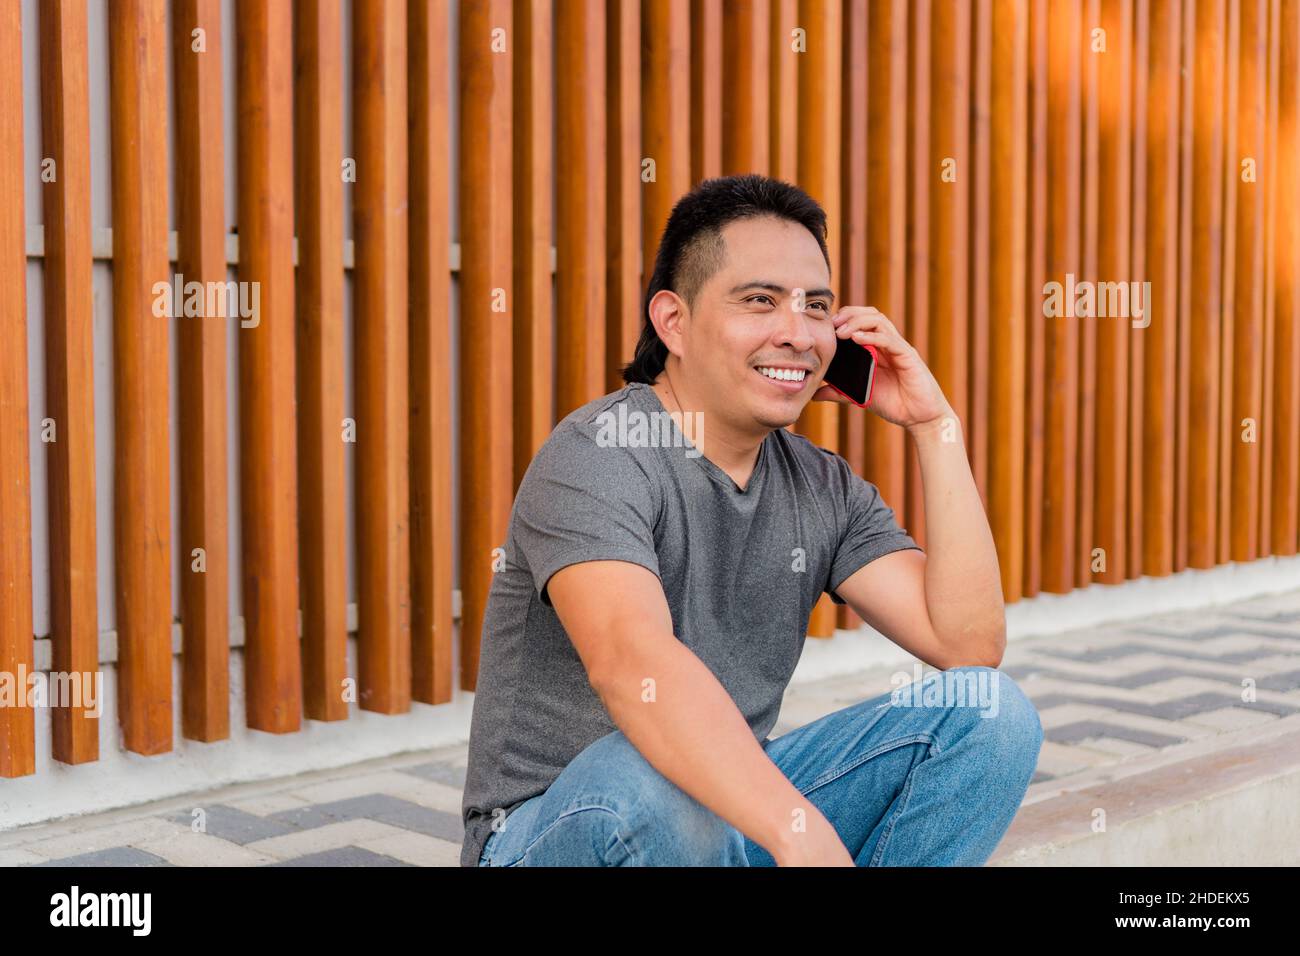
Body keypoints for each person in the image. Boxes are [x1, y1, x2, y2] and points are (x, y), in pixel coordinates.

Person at [460, 173, 1043, 867]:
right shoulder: (598, 454)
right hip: (556, 834)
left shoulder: (818, 483)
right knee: (652, 775)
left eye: (816, 307)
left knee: (988, 712)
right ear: (673, 321)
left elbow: (966, 645)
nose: (796, 333)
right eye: (759, 301)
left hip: (718, 825)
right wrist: (797, 831)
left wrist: (933, 425)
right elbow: (630, 663)